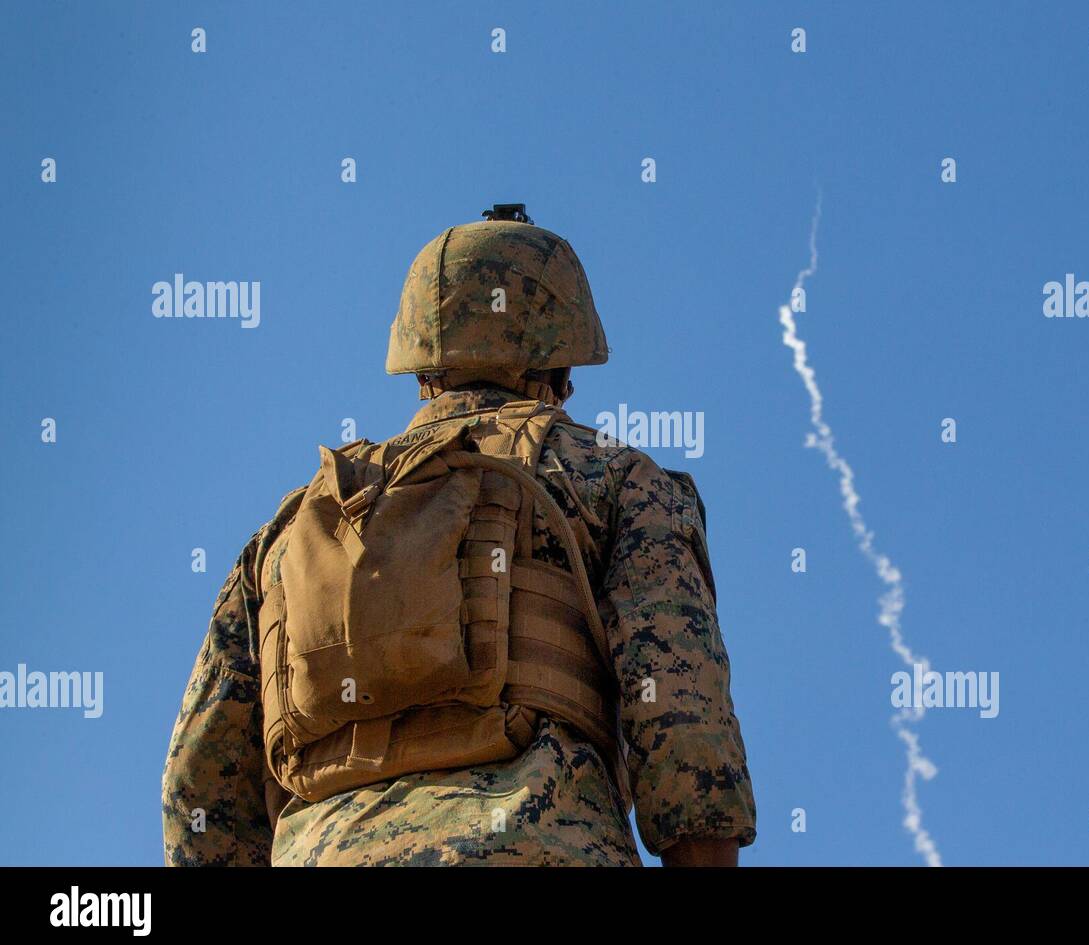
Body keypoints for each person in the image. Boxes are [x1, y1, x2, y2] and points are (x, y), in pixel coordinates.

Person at [162, 204, 756, 866]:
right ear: (563, 367)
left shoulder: (293, 529)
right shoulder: (614, 478)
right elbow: (684, 722)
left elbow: (197, 794)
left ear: (421, 368)